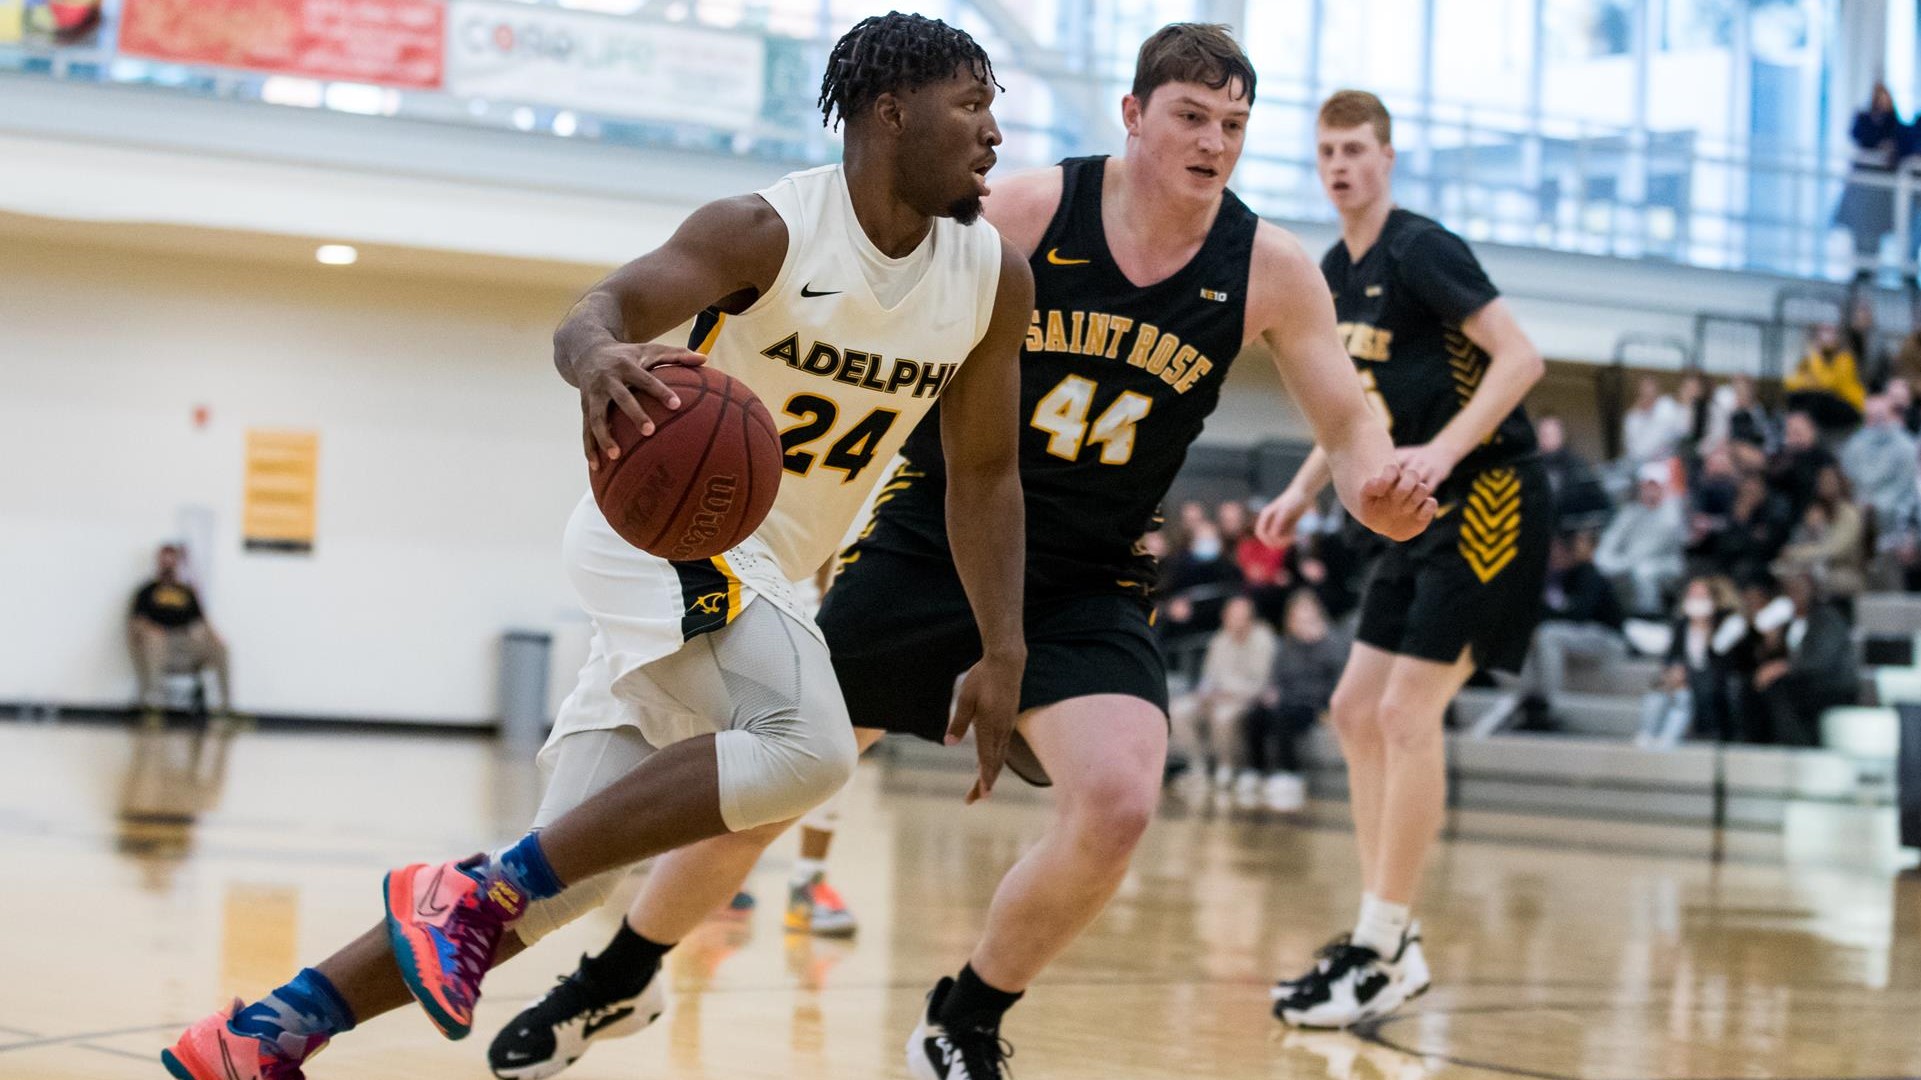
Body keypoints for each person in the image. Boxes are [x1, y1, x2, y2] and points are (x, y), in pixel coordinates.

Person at [493, 27, 1434, 1080]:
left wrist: (1377, 491)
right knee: (776, 775)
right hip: (932, 537)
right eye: (1190, 116)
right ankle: (621, 975)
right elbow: (881, 281)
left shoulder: (1268, 268)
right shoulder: (1026, 214)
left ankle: (967, 1013)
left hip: (1089, 575)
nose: (1213, 142)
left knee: (1120, 800)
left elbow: (1351, 430)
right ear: (1132, 116)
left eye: (1233, 126)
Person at [162, 15, 1036, 1079]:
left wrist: (1003, 646)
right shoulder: (766, 229)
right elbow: (604, 305)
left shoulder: (991, 277)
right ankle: (468, 895)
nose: (995, 132)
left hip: (748, 578)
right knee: (808, 747)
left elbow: (985, 473)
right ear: (889, 112)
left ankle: (262, 1035)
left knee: (563, 880)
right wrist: (594, 359)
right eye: (973, 104)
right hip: (668, 539)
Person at [1257, 88, 1548, 1028]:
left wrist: (1444, 450)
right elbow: (1356, 406)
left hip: (1489, 494)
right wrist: (1302, 493)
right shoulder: (1336, 269)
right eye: (1325, 151)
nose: (1339, 165)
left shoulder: (1422, 248)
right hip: (1413, 511)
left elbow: (1520, 359)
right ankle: (1389, 938)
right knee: (1351, 709)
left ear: (1386, 156)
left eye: (1355, 149)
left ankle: (1382, 943)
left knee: (1403, 712)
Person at [1501, 530, 1625, 731]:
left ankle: (1552, 706)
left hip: (1608, 639)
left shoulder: (1589, 573)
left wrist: (1540, 625)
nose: (1555, 556)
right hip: (1575, 638)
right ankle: (1529, 702)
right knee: (1523, 635)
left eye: (1561, 551)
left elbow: (1579, 615)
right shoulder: (1553, 577)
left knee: (1549, 634)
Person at [1244, 588, 1346, 811]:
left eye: (1306, 611)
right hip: (1287, 698)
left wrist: (1314, 642)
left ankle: (1291, 773)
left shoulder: (1331, 642)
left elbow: (1336, 681)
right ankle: (1256, 770)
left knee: (1284, 714)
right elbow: (1277, 676)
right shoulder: (1286, 644)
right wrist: (1272, 691)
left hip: (1313, 703)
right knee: (1255, 714)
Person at [1170, 593, 1277, 795]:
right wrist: (1203, 693)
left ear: (1250, 618)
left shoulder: (1263, 639)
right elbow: (1208, 676)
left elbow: (1261, 684)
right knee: (1179, 709)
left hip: (1245, 699)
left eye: (1239, 615)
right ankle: (1198, 766)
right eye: (1230, 615)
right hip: (1215, 697)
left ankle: (1226, 768)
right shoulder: (1220, 639)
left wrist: (1225, 692)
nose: (1233, 620)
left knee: (1224, 715)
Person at [1740, 573, 1857, 746]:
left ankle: (1798, 747)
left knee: (1782, 690)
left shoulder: (1826, 618)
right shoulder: (1789, 623)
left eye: (1798, 591)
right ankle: (1756, 744)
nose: (1793, 596)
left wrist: (1782, 667)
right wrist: (1771, 639)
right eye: (1789, 592)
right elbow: (1770, 655)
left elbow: (1821, 660)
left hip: (1831, 684)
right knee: (1750, 685)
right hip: (1801, 681)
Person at [128, 543, 232, 726]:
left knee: (221, 648)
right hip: (159, 640)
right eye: (164, 560)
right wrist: (150, 629)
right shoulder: (147, 590)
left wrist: (215, 638)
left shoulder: (186, 591)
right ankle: (153, 707)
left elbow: (201, 620)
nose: (168, 564)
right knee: (155, 640)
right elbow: (136, 621)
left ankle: (225, 709)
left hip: (184, 641)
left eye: (172, 560)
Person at [1636, 575, 1746, 749]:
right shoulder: (1682, 625)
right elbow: (1671, 657)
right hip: (1681, 682)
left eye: (1701, 597)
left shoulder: (1727, 625)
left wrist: (1706, 629)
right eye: (1692, 596)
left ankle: (1669, 739)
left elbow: (1720, 660)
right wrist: (1671, 674)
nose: (1696, 602)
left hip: (1711, 686)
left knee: (1683, 696)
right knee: (1659, 693)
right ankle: (1647, 735)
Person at [1593, 464, 1687, 616]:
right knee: (1601, 568)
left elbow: (1646, 551)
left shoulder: (1671, 515)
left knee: (1643, 572)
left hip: (1665, 564)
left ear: (1663, 487)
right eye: (1646, 486)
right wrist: (1603, 559)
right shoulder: (1631, 511)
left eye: (1654, 486)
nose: (1650, 491)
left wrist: (1618, 563)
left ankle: (1649, 616)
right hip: (1628, 562)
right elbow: (1611, 539)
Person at [1771, 464, 1867, 609]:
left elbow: (1835, 551)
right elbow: (1798, 541)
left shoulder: (1850, 513)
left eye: (1829, 481)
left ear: (1839, 483)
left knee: (1805, 579)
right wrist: (1811, 529)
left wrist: (1796, 553)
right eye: (1822, 481)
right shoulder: (1814, 511)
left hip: (1843, 570)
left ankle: (1805, 622)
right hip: (1812, 565)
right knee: (1778, 569)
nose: (1825, 485)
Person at [1835, 82, 1905, 279]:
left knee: (1875, 234)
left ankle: (1871, 268)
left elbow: (1897, 142)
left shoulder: (1893, 123)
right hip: (1863, 184)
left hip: (1880, 189)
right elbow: (1860, 137)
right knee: (1859, 232)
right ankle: (1860, 268)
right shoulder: (1864, 119)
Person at [1842, 392, 1920, 530]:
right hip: (1858, 506)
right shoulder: (1854, 445)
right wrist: (1859, 501)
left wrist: (1877, 505)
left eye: (1881, 416)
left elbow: (1904, 485)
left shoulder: (1906, 447)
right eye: (1872, 417)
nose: (1877, 422)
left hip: (1895, 510)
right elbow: (1847, 477)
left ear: (1893, 416)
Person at [1535, 412, 1611, 532]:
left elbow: (1595, 498)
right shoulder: (1535, 466)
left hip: (1573, 526)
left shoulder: (1576, 464)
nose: (1546, 438)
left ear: (1561, 435)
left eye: (1551, 433)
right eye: (1543, 434)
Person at [1784, 324, 1866, 429]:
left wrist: (1815, 355)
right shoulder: (1811, 360)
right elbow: (1791, 384)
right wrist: (1810, 381)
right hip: (1830, 405)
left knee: (1816, 397)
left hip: (1851, 405)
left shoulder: (1845, 358)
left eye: (1831, 332)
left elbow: (1827, 384)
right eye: (1823, 332)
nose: (1827, 336)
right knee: (1799, 397)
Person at [1620, 374, 1688, 467]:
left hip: (1665, 464)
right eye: (1644, 391)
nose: (1648, 394)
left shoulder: (1667, 408)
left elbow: (1681, 430)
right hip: (1639, 464)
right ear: (1638, 393)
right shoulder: (1632, 417)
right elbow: (1635, 450)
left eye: (1651, 390)